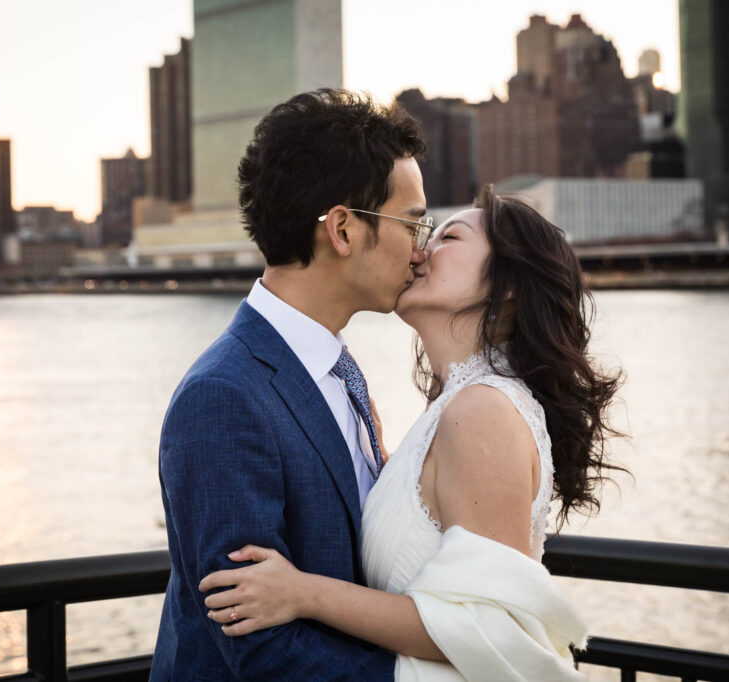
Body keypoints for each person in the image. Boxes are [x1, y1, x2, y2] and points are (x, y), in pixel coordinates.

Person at [199, 187, 624, 680]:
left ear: (506, 285)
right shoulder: (455, 406)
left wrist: (303, 594)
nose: (420, 250)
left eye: (450, 237)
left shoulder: (482, 409)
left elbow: (482, 627)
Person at [150, 89, 432, 680]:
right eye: (412, 224)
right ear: (343, 230)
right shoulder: (223, 397)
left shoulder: (339, 368)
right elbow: (258, 649)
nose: (421, 248)